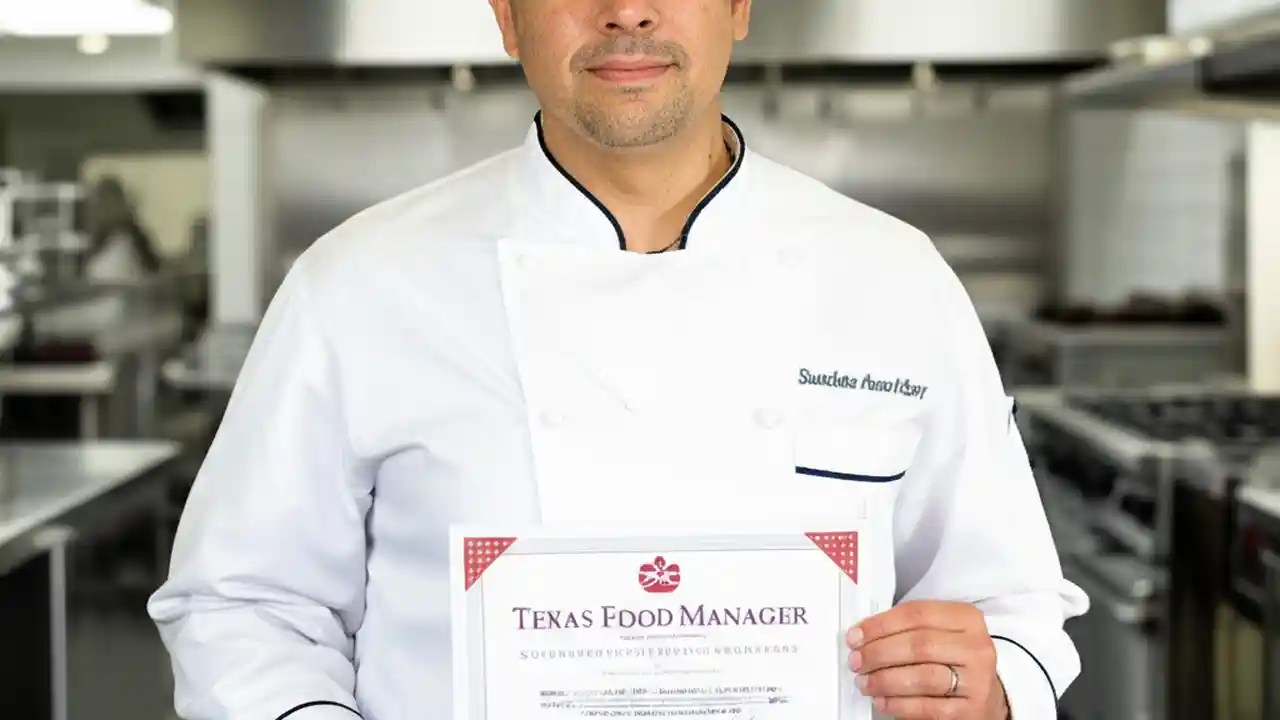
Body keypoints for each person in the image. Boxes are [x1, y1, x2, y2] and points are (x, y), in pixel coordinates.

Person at [148, 2, 1088, 719]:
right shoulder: (358, 281)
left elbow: (1013, 601)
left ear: (739, 6)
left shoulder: (892, 275)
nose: (626, 11)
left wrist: (992, 682)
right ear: (507, 16)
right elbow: (243, 603)